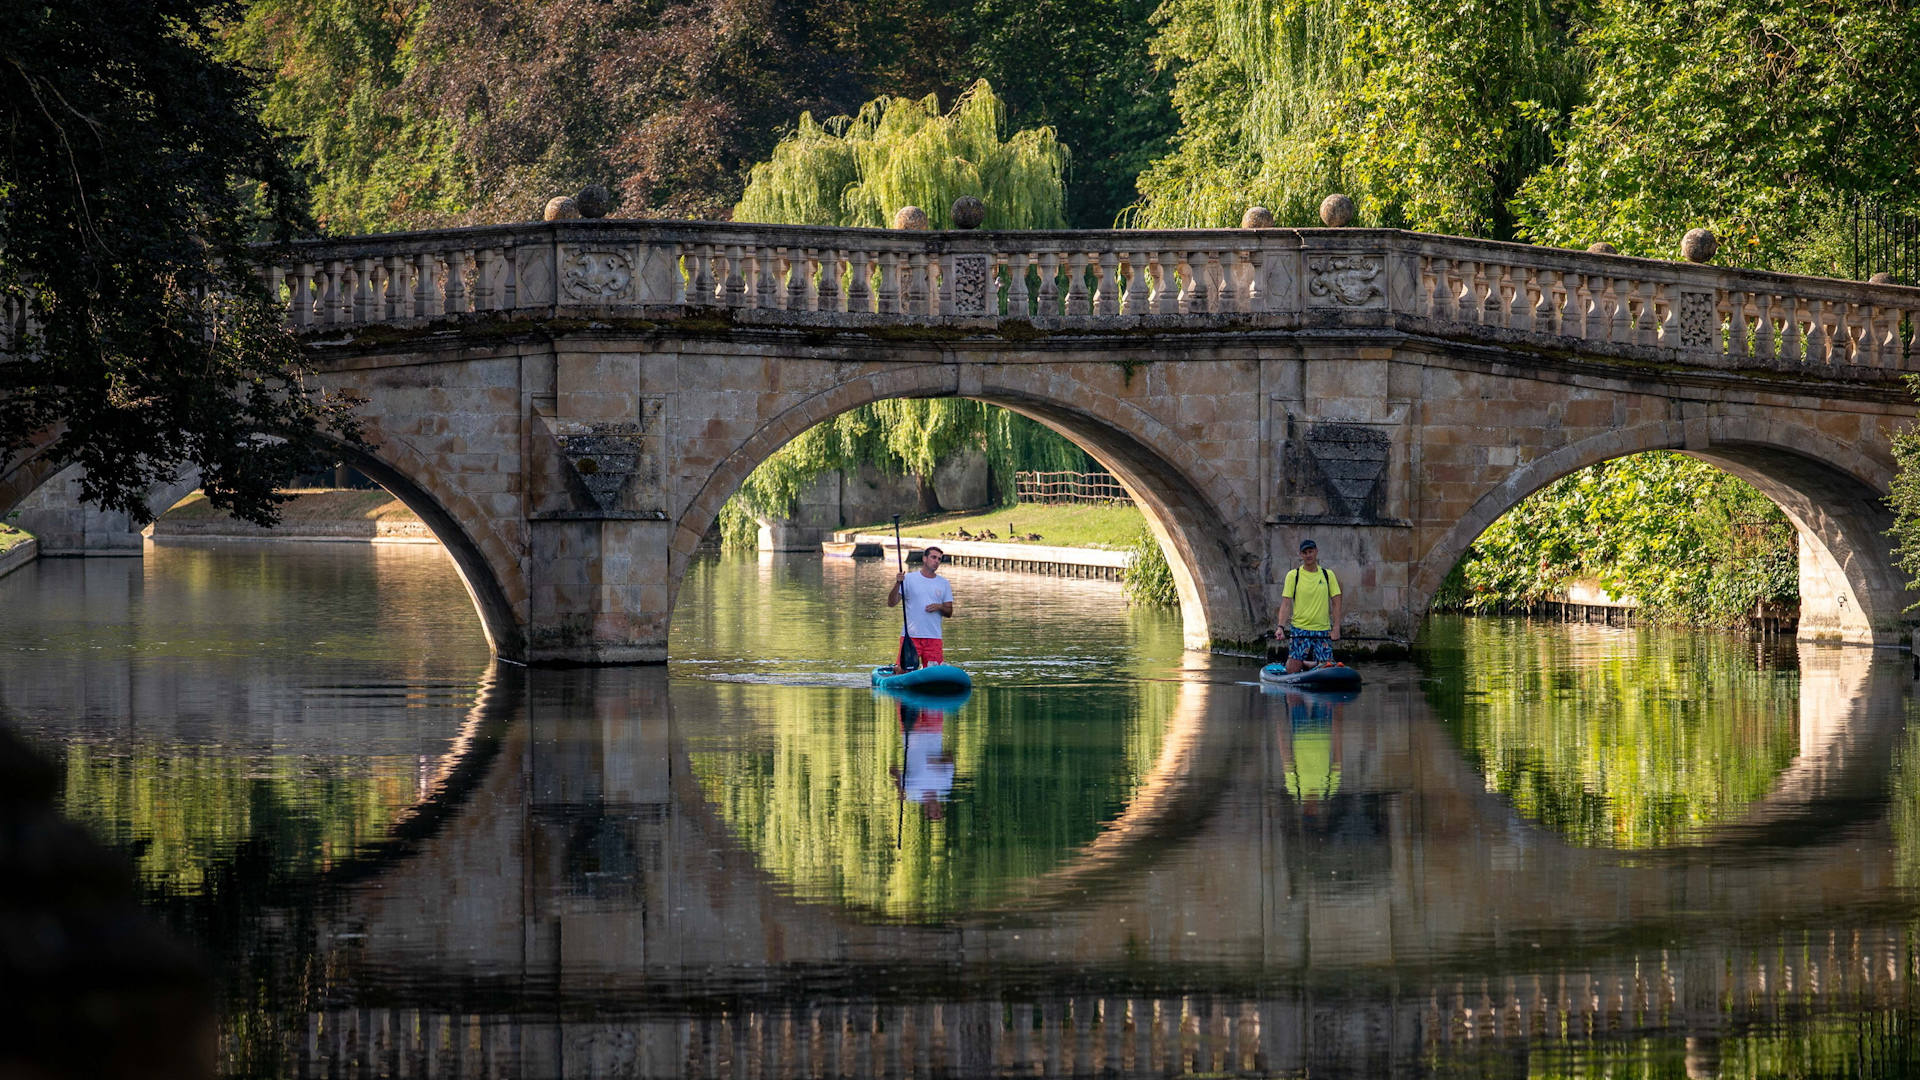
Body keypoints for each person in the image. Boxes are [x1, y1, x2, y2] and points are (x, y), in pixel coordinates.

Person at [1276, 538, 1342, 673]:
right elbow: (1286, 604)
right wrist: (1280, 627)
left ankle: (1310, 664)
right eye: (1305, 553)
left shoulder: (1327, 575)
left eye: (1310, 552)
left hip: (1322, 629)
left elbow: (1336, 603)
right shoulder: (1293, 575)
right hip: (1300, 628)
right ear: (1301, 555)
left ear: (1316, 552)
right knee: (1293, 669)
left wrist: (1336, 628)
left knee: (1327, 667)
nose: (1308, 555)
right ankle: (1300, 663)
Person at [888, 546, 955, 668]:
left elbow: (949, 612)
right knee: (904, 670)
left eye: (939, 559)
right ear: (924, 558)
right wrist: (898, 583)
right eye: (933, 557)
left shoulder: (944, 583)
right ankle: (897, 669)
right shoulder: (908, 578)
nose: (936, 561)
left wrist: (939, 607)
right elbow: (891, 603)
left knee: (935, 672)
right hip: (911, 636)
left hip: (933, 637)